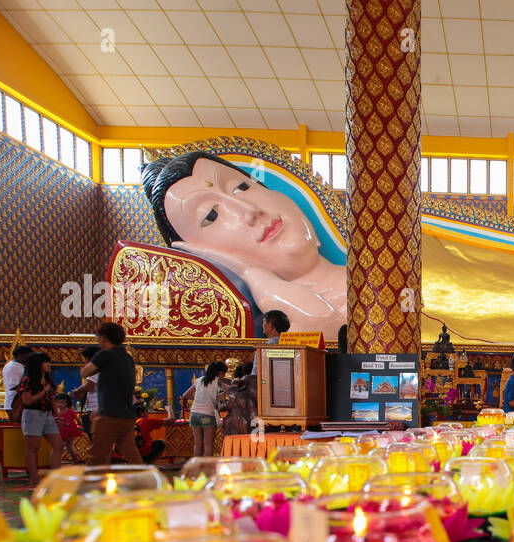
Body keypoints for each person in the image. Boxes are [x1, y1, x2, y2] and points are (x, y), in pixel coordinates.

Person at [141, 151, 347, 337]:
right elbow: (325, 327)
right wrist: (255, 276)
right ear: (203, 253)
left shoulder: (371, 278)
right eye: (211, 215)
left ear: (282, 196)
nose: (249, 210)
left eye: (241, 187)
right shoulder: (278, 318)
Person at [81, 321, 143, 466]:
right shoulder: (128, 358)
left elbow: (85, 372)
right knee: (131, 455)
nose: (98, 341)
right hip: (127, 416)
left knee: (96, 456)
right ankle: (145, 482)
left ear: (103, 338)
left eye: (98, 337)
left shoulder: (105, 355)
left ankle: (89, 485)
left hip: (109, 415)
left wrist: (91, 360)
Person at [15, 351, 64, 482]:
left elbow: (52, 400)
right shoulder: (28, 380)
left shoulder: (48, 380)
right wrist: (43, 391)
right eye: (46, 362)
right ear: (38, 364)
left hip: (47, 414)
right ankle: (34, 476)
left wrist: (57, 416)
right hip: (32, 414)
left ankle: (55, 475)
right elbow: (27, 400)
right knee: (33, 447)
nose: (49, 365)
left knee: (58, 444)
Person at [182, 361, 226, 458]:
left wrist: (197, 400)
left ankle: (197, 468)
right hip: (208, 415)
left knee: (198, 444)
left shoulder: (199, 380)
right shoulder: (219, 382)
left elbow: (185, 395)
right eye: (223, 373)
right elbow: (222, 402)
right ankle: (208, 469)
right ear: (219, 372)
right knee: (208, 444)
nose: (224, 375)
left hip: (194, 415)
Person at [221, 362, 257, 437]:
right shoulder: (259, 383)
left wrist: (219, 407)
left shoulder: (236, 384)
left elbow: (230, 405)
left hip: (236, 421)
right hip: (255, 421)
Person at [253, 310, 291, 379]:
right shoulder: (293, 345)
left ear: (270, 325)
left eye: (264, 322)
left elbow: (255, 375)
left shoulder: (263, 349)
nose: (262, 325)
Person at [71, 345, 99, 436]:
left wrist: (77, 391)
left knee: (97, 440)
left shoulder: (96, 370)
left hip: (96, 410)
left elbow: (89, 386)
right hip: (95, 409)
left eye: (86, 359)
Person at [2, 345, 33, 411]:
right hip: (15, 404)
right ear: (21, 356)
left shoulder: (18, 366)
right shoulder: (13, 367)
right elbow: (15, 386)